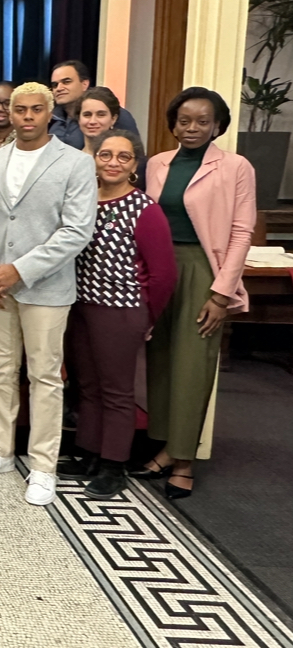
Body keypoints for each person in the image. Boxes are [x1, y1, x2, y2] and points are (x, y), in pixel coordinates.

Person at [0, 81, 96, 507]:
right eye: (19, 109)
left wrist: (19, 271)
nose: (26, 117)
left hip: (46, 287)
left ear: (49, 113)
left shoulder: (74, 163)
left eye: (35, 110)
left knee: (44, 377)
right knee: (0, 370)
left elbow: (77, 230)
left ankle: (43, 466)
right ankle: (0, 450)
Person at [135, 87, 256, 499]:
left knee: (193, 365)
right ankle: (167, 447)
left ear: (217, 125)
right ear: (173, 124)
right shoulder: (156, 163)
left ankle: (184, 462)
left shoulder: (236, 167)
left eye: (202, 121)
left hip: (203, 270)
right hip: (159, 268)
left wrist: (221, 294)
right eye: (184, 120)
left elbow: (242, 233)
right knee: (161, 359)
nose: (192, 128)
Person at [59, 129, 176, 499]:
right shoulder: (82, 202)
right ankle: (88, 453)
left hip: (121, 311)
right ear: (94, 158)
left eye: (123, 157)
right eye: (106, 154)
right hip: (79, 307)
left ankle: (114, 465)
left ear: (135, 164)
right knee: (87, 388)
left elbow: (163, 275)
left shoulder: (144, 209)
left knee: (116, 392)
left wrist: (146, 316)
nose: (112, 162)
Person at [49, 60, 140, 148]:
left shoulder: (115, 114)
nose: (59, 88)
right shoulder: (51, 118)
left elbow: (135, 156)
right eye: (55, 85)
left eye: (66, 82)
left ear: (84, 84)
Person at [76, 87, 121, 155]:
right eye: (87, 115)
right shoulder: (70, 161)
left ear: (113, 119)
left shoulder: (123, 159)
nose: (92, 121)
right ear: (79, 119)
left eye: (101, 115)